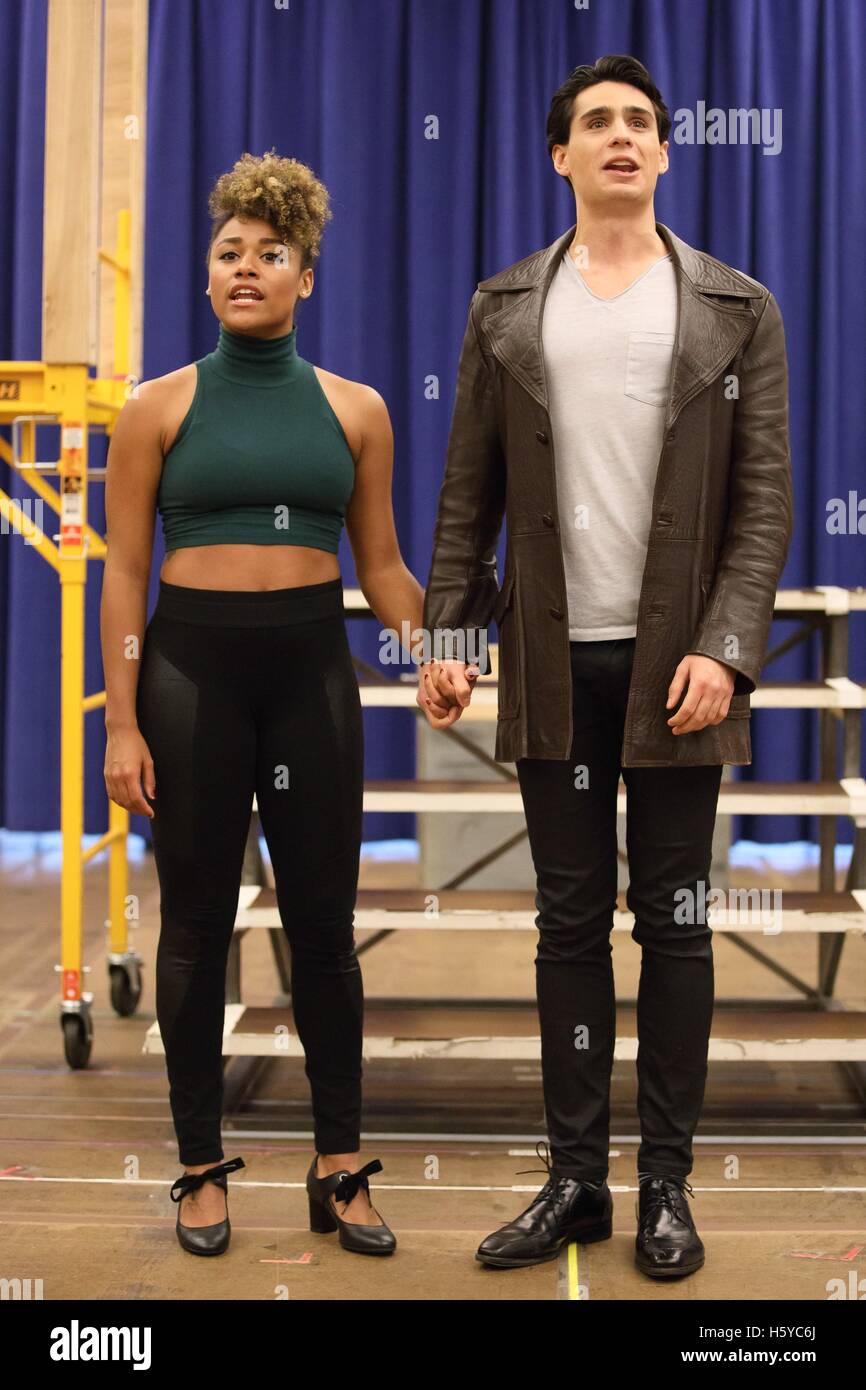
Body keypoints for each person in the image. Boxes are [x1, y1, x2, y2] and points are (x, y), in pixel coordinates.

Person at [419, 55, 793, 1277]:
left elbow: (762, 503)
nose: (620, 137)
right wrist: (447, 633)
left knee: (675, 927)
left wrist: (724, 653)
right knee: (566, 928)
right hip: (548, 660)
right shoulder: (504, 308)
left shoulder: (737, 307)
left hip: (677, 670)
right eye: (596, 124)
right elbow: (466, 487)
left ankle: (667, 1188)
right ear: (560, 157)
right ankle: (576, 1180)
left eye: (640, 122)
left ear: (665, 154)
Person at [102, 149, 429, 1257]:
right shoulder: (154, 409)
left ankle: (339, 1166)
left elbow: (382, 568)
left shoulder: (358, 411)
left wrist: (438, 648)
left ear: (305, 276)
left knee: (325, 933)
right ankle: (200, 1165)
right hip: (189, 675)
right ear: (207, 278)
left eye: (270, 253)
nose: (247, 267)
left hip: (308, 676)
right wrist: (122, 719)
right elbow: (123, 574)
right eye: (228, 251)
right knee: (193, 927)